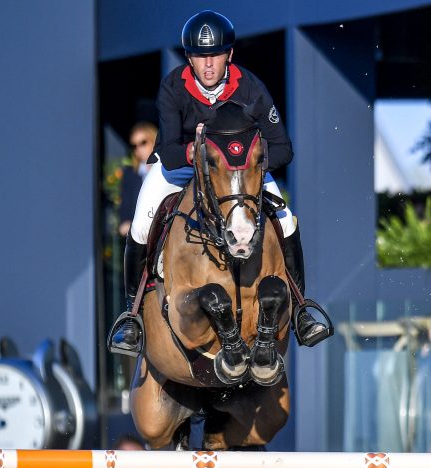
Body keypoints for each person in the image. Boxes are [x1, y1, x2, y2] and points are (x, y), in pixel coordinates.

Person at [108, 10, 330, 356]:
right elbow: (166, 151)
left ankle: (302, 309)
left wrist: (244, 160)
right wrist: (203, 151)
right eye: (200, 57)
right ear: (189, 59)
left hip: (240, 171)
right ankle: (132, 317)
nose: (208, 65)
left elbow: (283, 148)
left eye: (214, 56)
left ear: (229, 54)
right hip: (182, 167)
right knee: (139, 226)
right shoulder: (173, 87)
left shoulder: (251, 88)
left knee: (286, 221)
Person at [118, 122, 159, 238]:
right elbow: (125, 211)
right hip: (141, 234)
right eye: (134, 145)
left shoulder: (167, 170)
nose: (139, 149)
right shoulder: (131, 174)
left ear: (154, 141)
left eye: (143, 143)